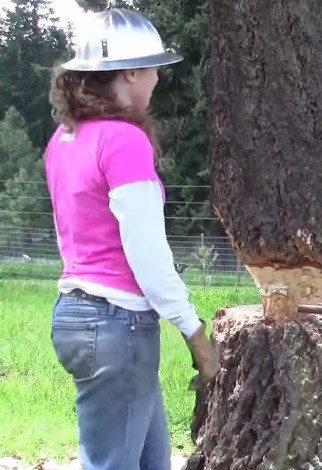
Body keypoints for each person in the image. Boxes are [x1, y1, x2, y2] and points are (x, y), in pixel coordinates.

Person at [44, 9, 220, 469]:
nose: (158, 78)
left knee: (151, 461)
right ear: (129, 73)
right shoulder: (123, 142)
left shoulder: (63, 139)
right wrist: (194, 333)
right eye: (153, 68)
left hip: (78, 315)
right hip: (116, 325)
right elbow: (146, 255)